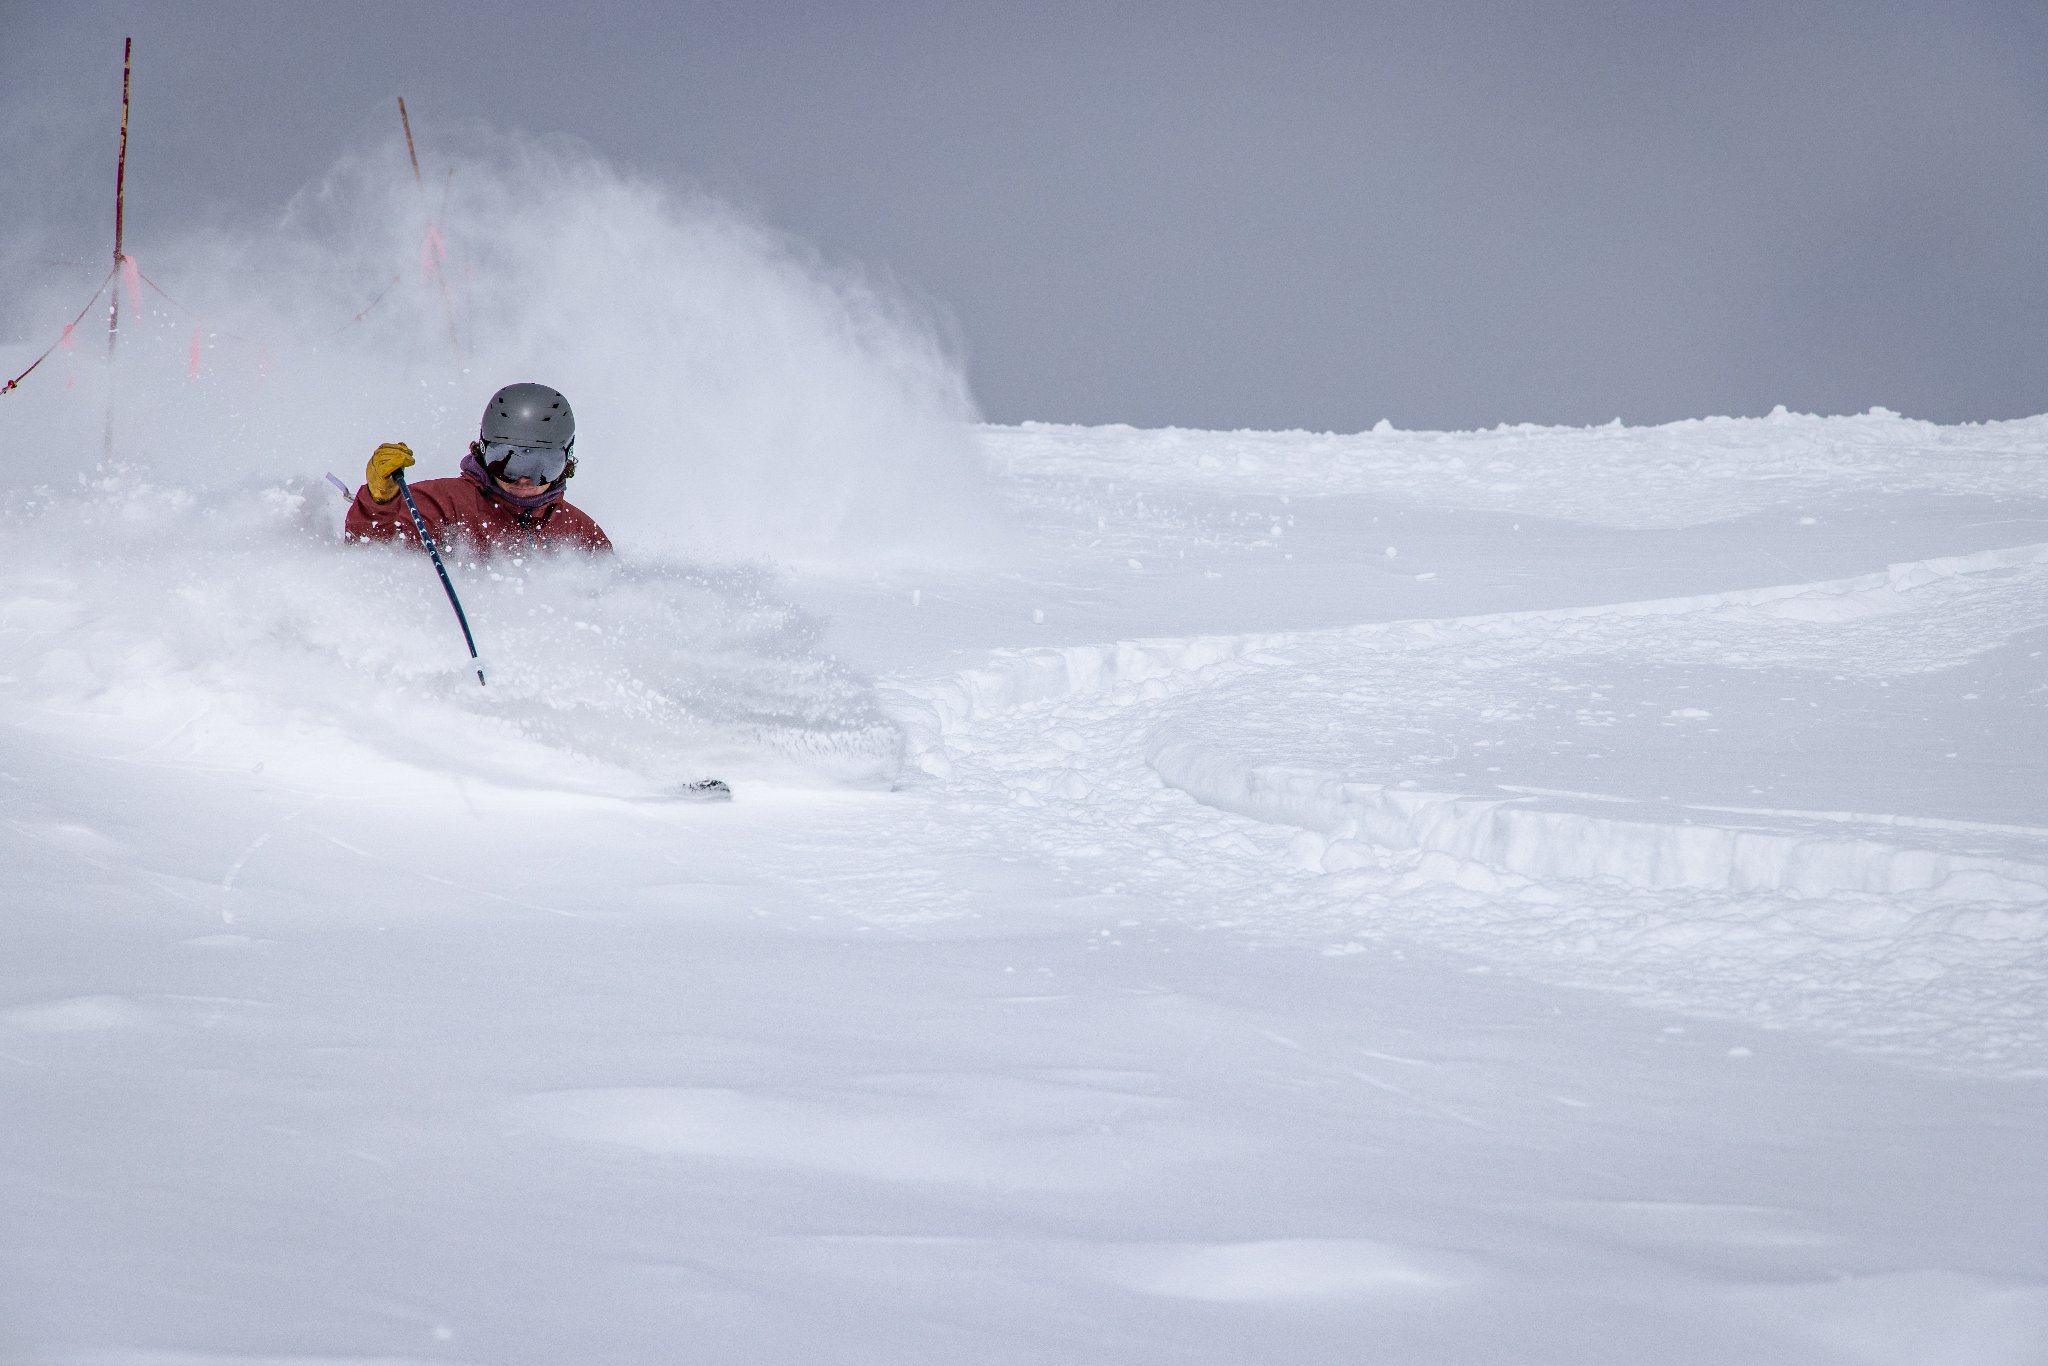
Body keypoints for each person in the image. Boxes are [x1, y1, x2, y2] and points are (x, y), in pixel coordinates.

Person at [345, 382, 611, 553]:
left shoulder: (581, 533)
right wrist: (378, 505)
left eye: (542, 465)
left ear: (567, 459)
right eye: (505, 461)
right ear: (483, 450)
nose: (523, 479)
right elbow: (373, 565)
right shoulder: (438, 505)